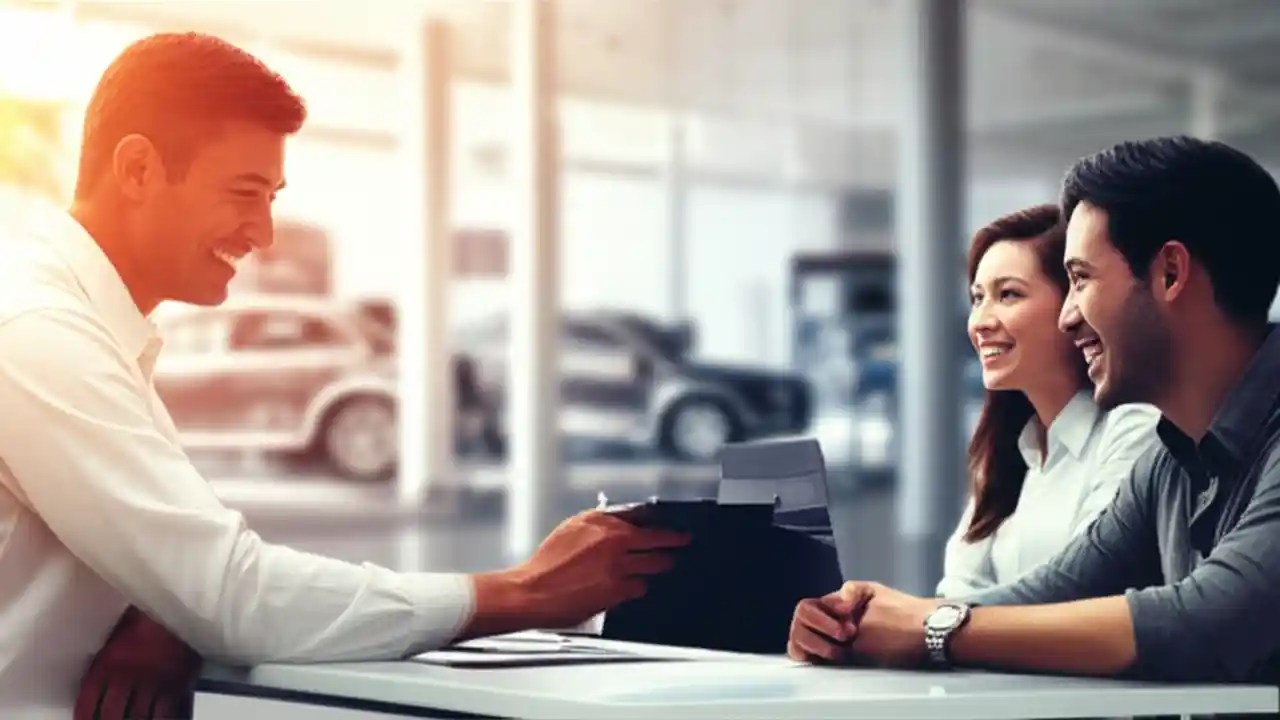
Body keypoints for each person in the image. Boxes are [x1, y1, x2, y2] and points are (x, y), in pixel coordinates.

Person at [0, 33, 688, 720]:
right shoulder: (38, 333)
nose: (263, 234)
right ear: (139, 170)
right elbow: (230, 593)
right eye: (244, 192)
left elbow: (185, 570)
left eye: (271, 196)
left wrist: (164, 610)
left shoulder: (86, 327)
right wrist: (524, 591)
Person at [787, 135, 1280, 684]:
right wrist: (868, 623)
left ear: (1169, 273)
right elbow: (1056, 593)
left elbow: (1207, 624)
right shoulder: (1170, 460)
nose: (1069, 318)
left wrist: (931, 627)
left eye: (1081, 279)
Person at [937, 205, 1160, 598]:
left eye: (1008, 295)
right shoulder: (1013, 449)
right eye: (977, 298)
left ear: (1074, 303)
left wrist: (918, 623)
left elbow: (1081, 588)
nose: (980, 322)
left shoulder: (1134, 426)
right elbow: (956, 588)